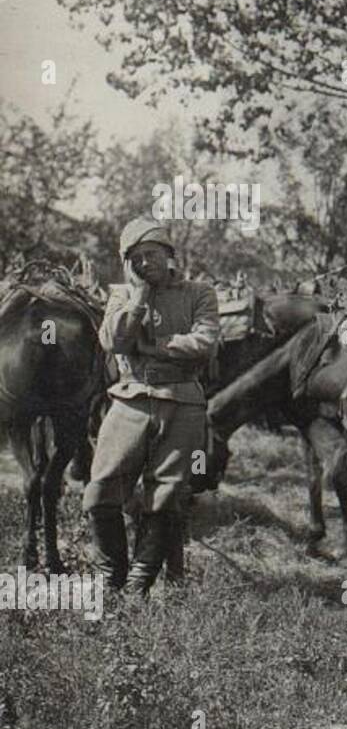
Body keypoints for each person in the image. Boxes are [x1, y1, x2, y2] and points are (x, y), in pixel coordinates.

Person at [83, 219, 220, 596]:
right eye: (137, 259)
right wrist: (139, 297)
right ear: (128, 264)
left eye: (152, 255)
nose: (146, 264)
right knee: (99, 492)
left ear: (169, 255)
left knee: (165, 497)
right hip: (130, 400)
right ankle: (112, 578)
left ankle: (135, 588)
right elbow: (113, 340)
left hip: (182, 403)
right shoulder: (121, 295)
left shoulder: (199, 293)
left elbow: (204, 343)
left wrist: (152, 346)